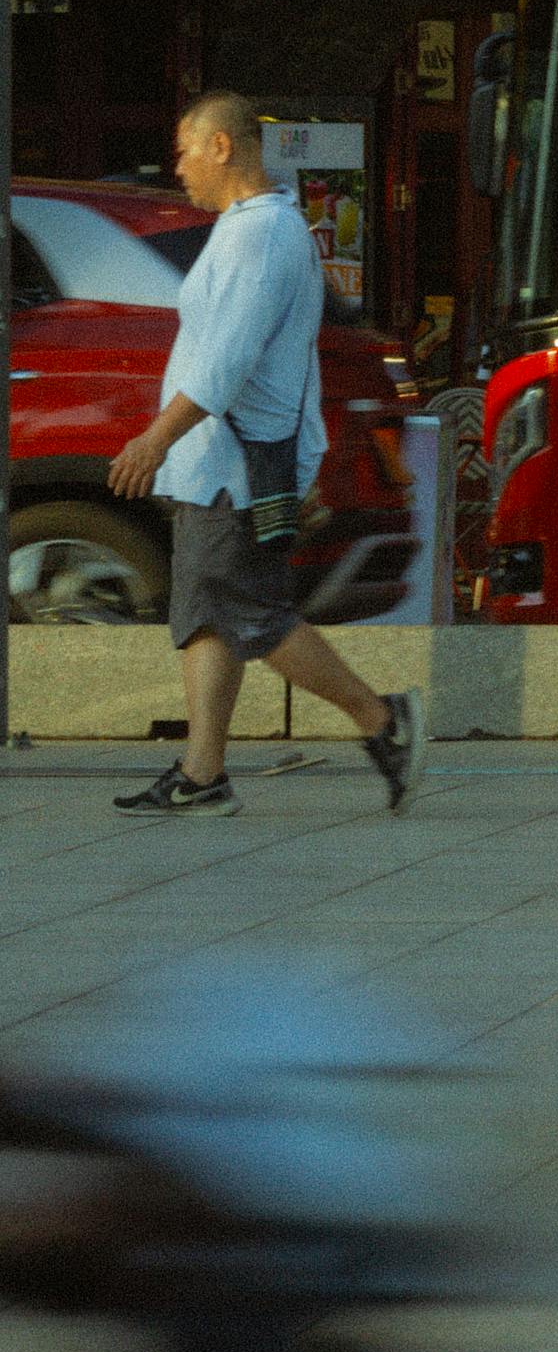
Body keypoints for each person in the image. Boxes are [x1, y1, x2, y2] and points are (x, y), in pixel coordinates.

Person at [105, 98, 418, 821]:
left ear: (221, 146)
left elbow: (227, 363)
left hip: (241, 464)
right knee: (208, 613)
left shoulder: (263, 236)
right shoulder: (244, 230)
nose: (176, 167)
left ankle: (384, 723)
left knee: (251, 613)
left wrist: (156, 438)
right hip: (218, 465)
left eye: (184, 151)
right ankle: (202, 776)